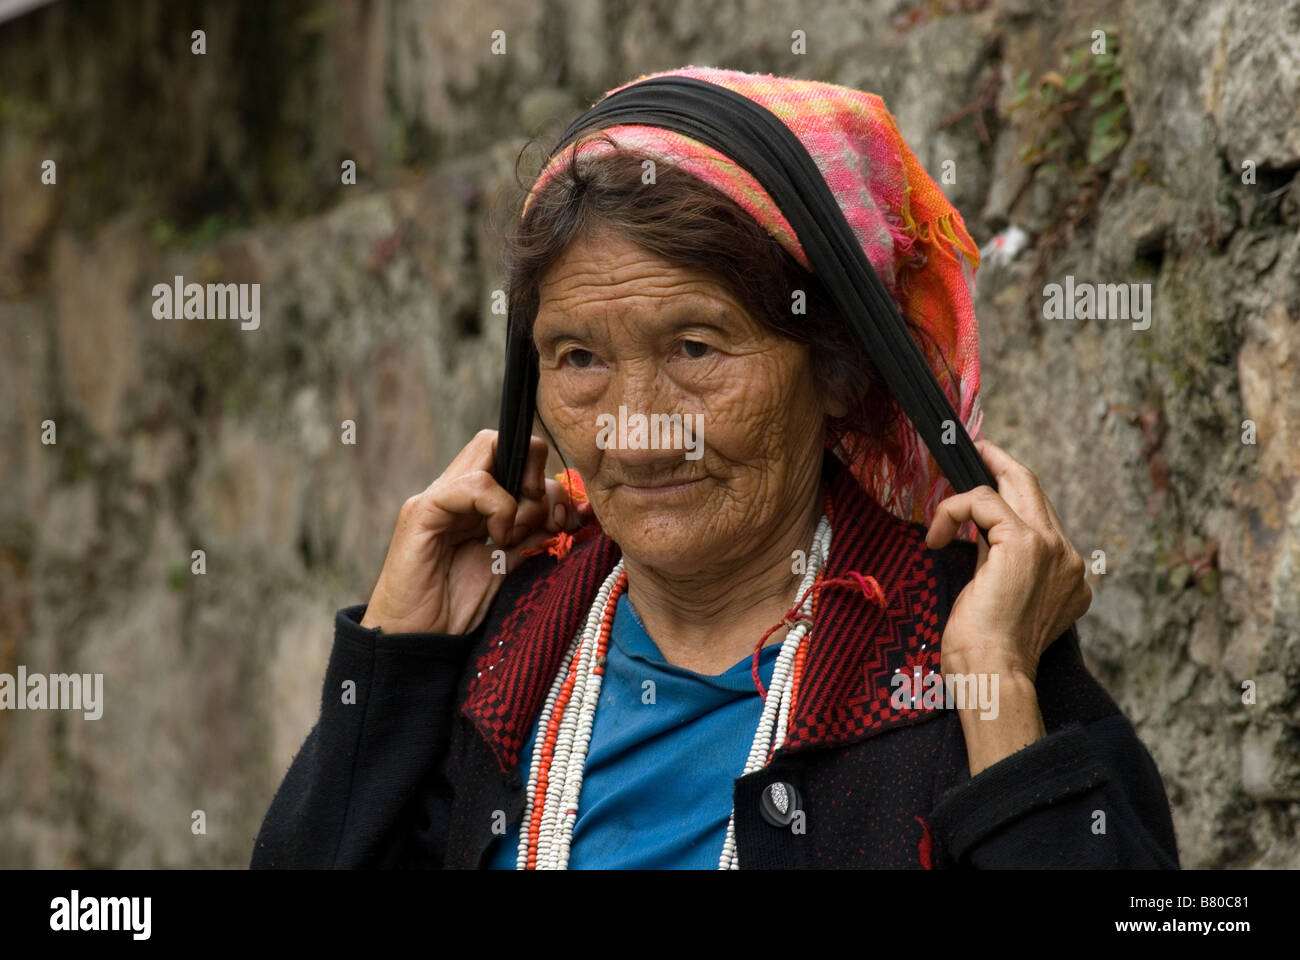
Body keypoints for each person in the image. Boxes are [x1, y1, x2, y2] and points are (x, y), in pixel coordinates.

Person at [250, 66, 1180, 869]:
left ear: (839, 373)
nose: (638, 432)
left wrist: (999, 687)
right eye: (578, 359)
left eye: (695, 348)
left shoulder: (962, 656)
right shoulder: (508, 652)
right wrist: (397, 654)